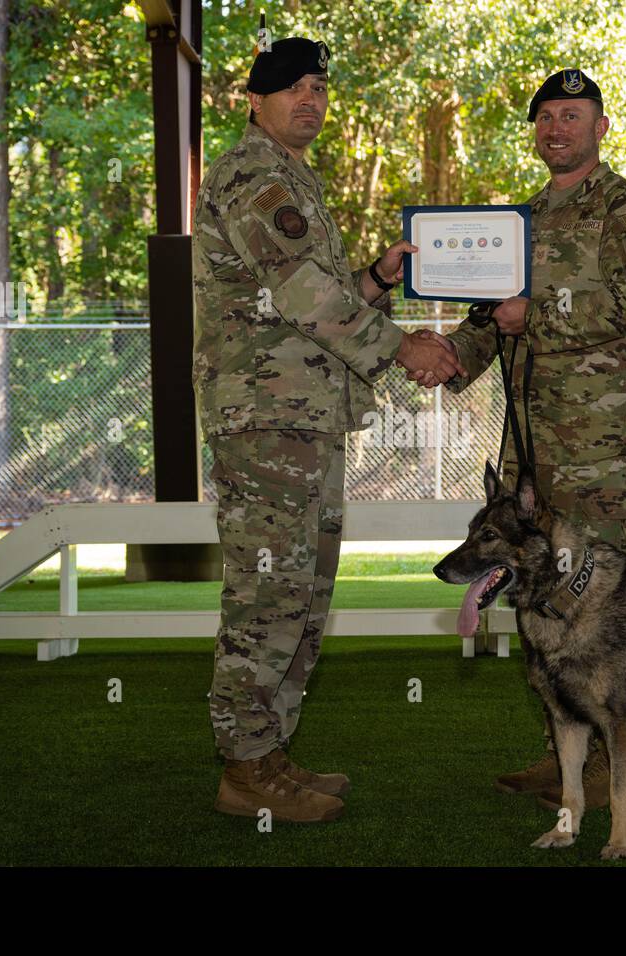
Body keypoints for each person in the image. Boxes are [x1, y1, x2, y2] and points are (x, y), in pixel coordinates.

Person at [192, 36, 466, 823]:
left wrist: (378, 281)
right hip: (268, 422)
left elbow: (311, 298)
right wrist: (403, 345)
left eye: (317, 88)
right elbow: (306, 296)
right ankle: (244, 769)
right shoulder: (252, 174)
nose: (308, 100)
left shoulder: (293, 178)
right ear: (254, 100)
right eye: (291, 89)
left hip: (302, 419)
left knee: (302, 595)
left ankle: (268, 752)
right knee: (267, 595)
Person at [413, 69, 626, 812]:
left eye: (572, 115)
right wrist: (450, 355)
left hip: (597, 453)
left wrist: (542, 314)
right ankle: (566, 751)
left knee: (610, 609)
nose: (556, 128)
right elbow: (493, 317)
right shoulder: (516, 223)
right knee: (539, 604)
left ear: (600, 126)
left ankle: (619, 767)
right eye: (546, 119)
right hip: (529, 457)